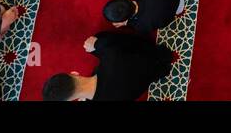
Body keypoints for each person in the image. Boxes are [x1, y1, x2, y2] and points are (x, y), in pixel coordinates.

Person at [41, 32, 174, 100]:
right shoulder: (111, 54)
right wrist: (97, 45)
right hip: (148, 56)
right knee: (98, 38)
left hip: (146, 79)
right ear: (74, 73)